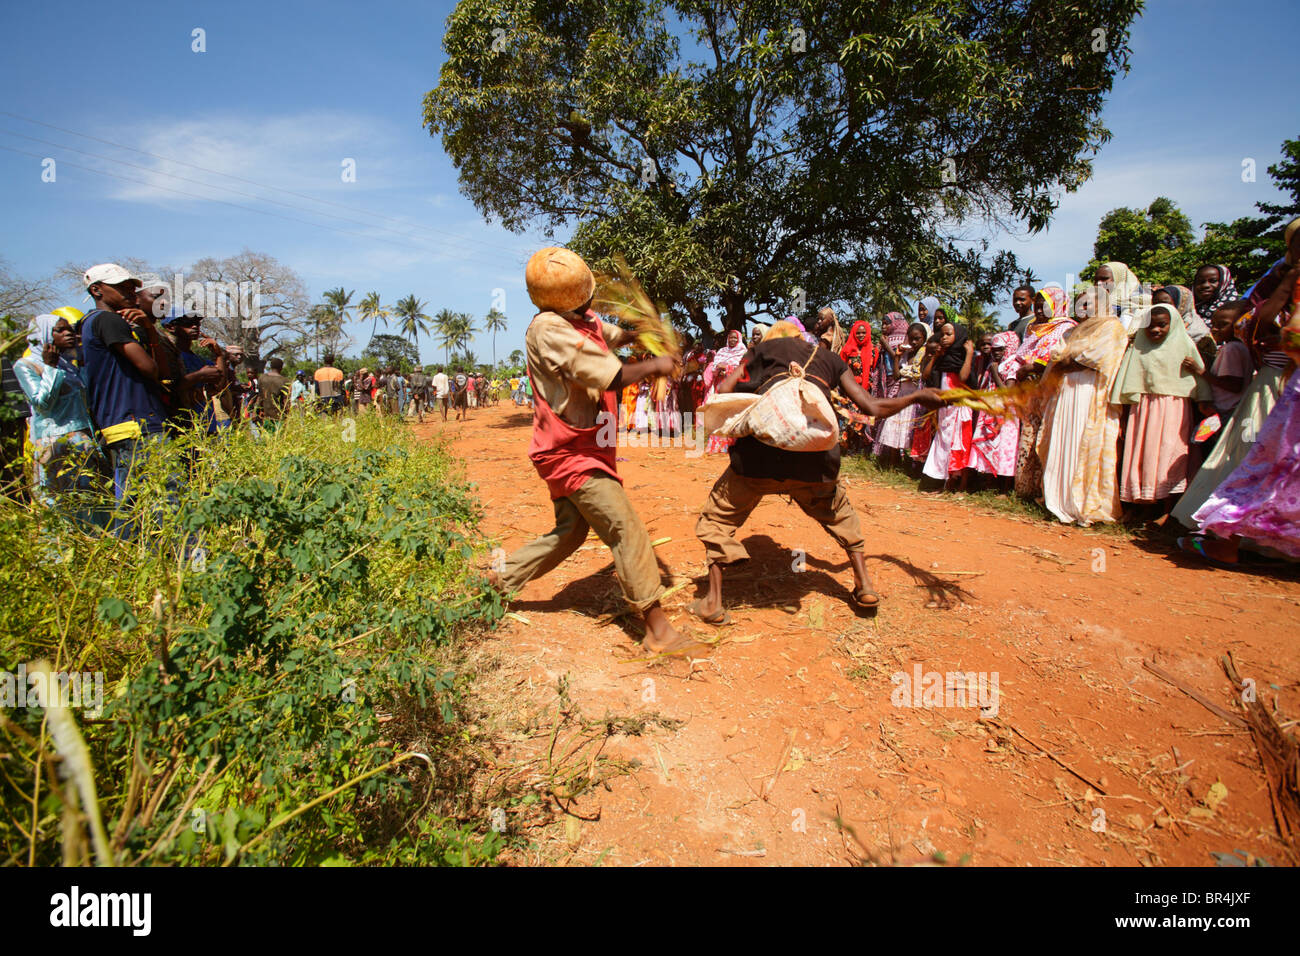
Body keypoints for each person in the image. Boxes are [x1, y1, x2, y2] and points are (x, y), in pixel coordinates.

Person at [489, 246, 690, 654]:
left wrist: (648, 337)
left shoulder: (581, 319)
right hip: (569, 453)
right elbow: (611, 376)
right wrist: (657, 366)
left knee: (571, 532)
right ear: (582, 290)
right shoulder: (548, 329)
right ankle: (657, 630)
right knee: (624, 527)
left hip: (584, 447)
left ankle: (496, 583)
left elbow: (616, 336)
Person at [692, 322, 943, 619]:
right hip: (814, 465)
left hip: (757, 461)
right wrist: (915, 397)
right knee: (840, 515)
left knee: (716, 519)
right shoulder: (829, 358)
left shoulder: (759, 351)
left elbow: (723, 389)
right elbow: (872, 407)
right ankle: (864, 586)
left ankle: (714, 602)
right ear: (802, 338)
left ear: (772, 338)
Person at [1182, 282, 1300, 564]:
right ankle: (1236, 539)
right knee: (1259, 462)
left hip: (1277, 392)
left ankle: (1238, 540)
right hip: (1276, 389)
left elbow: (1283, 335)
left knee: (1259, 461)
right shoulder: (1274, 299)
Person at [79, 264, 170, 508]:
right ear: (97, 290)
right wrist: (149, 332)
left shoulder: (91, 323)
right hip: (135, 423)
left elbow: (162, 372)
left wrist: (149, 330)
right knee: (165, 497)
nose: (129, 293)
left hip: (122, 423)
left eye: (131, 288)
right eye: (121, 287)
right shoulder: (108, 321)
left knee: (136, 501)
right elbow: (152, 370)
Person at [1035, 289, 1129, 525]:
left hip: (1088, 395)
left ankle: (1082, 504)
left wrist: (1067, 360)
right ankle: (1059, 500)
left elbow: (1094, 359)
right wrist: (1067, 361)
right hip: (1065, 394)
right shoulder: (1072, 330)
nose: (1083, 309)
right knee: (1061, 443)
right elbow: (1059, 359)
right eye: (1080, 304)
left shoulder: (1111, 328)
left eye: (1088, 304)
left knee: (1082, 445)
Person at [1111, 303, 1209, 521]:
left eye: (1162, 325)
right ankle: (1142, 505)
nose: (1155, 330)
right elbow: (1128, 381)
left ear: (1172, 324)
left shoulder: (1184, 346)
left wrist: (1204, 399)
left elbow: (1199, 381)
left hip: (1174, 409)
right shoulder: (1138, 347)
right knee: (1141, 455)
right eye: (1150, 326)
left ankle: (1166, 509)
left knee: (1168, 454)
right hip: (1143, 410)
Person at [13, 313, 105, 525]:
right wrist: (50, 368)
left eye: (70, 330)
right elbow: (42, 404)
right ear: (43, 335)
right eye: (60, 330)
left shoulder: (68, 365)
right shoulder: (26, 365)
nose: (69, 334)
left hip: (82, 442)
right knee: (62, 508)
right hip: (55, 447)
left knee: (91, 502)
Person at [1007, 285, 1076, 501]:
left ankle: (1044, 490)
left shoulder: (1066, 327)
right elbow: (1020, 356)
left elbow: (1058, 356)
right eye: (1036, 306)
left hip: (1051, 390)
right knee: (1028, 437)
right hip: (1030, 392)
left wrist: (1033, 367)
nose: (1038, 310)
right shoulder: (1032, 329)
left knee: (1046, 439)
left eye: (1043, 306)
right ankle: (1025, 488)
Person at [920, 320, 974, 487]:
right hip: (944, 409)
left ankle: (958, 482)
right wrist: (936, 357)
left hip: (958, 408)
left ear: (957, 335)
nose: (944, 337)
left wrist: (970, 354)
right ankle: (942, 478)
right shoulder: (942, 358)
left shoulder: (962, 357)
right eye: (942, 334)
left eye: (948, 334)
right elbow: (926, 376)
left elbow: (964, 378)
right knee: (944, 442)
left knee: (958, 442)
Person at [161, 309, 230, 432]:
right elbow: (171, 387)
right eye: (187, 323)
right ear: (170, 327)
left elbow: (220, 387)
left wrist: (219, 355)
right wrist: (199, 376)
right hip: (182, 423)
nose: (194, 327)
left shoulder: (200, 360)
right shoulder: (170, 357)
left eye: (197, 323)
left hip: (206, 423)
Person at [969, 330, 1021, 490]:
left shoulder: (1013, 364)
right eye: (994, 349)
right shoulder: (994, 363)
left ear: (1010, 347)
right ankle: (989, 481)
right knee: (991, 444)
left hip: (1007, 412)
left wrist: (994, 372)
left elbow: (1007, 392)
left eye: (1000, 349)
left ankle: (1005, 487)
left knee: (1006, 447)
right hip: (992, 409)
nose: (996, 352)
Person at [873, 322, 929, 467]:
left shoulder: (924, 356)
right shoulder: (906, 355)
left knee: (911, 433)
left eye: (918, 339)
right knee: (895, 429)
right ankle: (893, 464)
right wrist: (897, 357)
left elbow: (920, 376)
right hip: (902, 396)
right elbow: (897, 376)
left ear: (924, 339)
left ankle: (912, 465)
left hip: (916, 399)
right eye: (911, 339)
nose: (914, 342)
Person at [702, 330, 748, 453]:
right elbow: (713, 369)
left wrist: (727, 368)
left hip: (732, 387)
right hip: (719, 386)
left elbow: (743, 370)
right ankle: (717, 445)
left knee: (731, 415)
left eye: (735, 338)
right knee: (719, 415)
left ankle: (732, 445)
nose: (732, 340)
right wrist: (717, 368)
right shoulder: (722, 351)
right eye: (730, 338)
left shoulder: (743, 352)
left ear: (739, 339)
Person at [1193, 264, 1239, 332]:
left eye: (1213, 281)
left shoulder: (1238, 313)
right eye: (1201, 282)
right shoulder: (1188, 314)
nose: (1205, 285)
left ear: (1224, 283)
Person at [840, 319, 874, 391]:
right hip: (850, 388)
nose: (861, 335)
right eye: (858, 333)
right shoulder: (847, 350)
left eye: (864, 333)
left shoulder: (874, 351)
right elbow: (840, 369)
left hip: (869, 390)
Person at [258, 357, 290, 426]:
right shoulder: (285, 381)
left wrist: (257, 411)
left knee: (266, 435)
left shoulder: (262, 378)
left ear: (270, 366)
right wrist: (287, 417)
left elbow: (260, 397)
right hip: (279, 417)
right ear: (281, 368)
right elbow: (286, 401)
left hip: (265, 416)